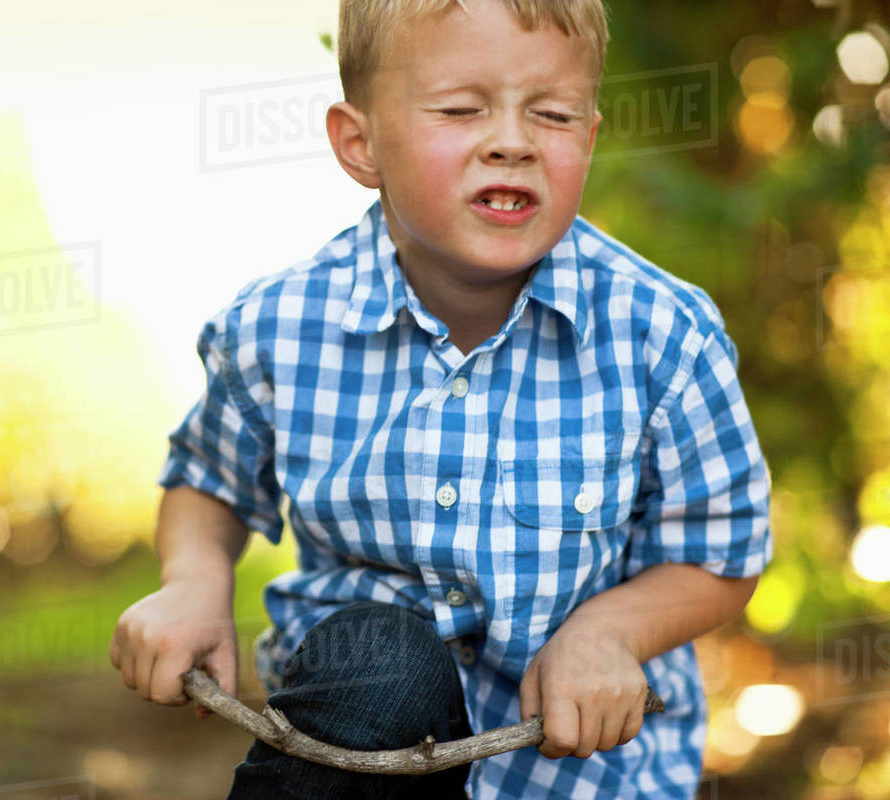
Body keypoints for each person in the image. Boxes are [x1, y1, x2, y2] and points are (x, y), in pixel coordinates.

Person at [109, 0, 773, 797]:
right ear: (362, 145)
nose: (513, 141)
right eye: (461, 109)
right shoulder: (280, 330)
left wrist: (610, 630)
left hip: (582, 776)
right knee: (378, 661)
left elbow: (720, 549)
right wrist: (194, 584)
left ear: (590, 139)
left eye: (553, 115)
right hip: (358, 757)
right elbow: (208, 480)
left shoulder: (663, 337)